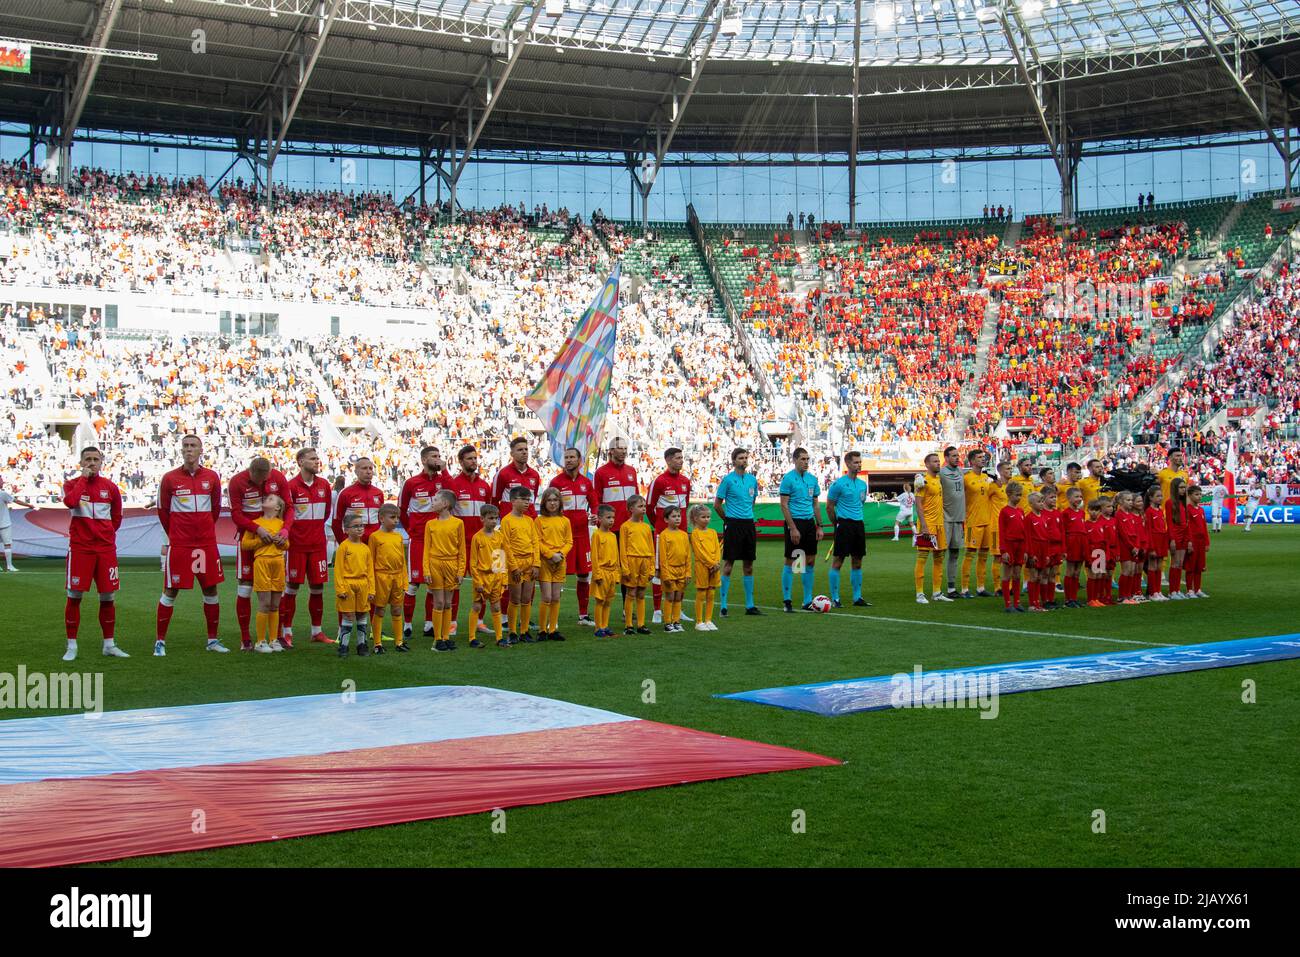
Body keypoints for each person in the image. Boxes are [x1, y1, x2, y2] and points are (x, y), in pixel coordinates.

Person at [156, 434, 226, 656]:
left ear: (200, 450)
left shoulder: (212, 477)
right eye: (185, 446)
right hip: (181, 545)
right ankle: (160, 641)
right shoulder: (169, 478)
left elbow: (215, 509)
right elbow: (163, 511)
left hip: (205, 544)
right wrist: (177, 535)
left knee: (210, 589)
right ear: (181, 450)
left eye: (193, 446)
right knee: (171, 590)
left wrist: (202, 530)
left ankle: (212, 640)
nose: (189, 449)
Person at [61, 446, 128, 660]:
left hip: (105, 549)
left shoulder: (110, 487)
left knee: (108, 596)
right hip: (81, 549)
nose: (92, 463)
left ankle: (109, 644)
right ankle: (72, 646)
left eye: (95, 459)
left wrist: (105, 535)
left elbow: (116, 517)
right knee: (75, 595)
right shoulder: (72, 484)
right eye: (87, 459)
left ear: (102, 462)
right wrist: (83, 479)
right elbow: (70, 502)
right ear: (81, 463)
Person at [227, 456, 292, 651]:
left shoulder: (278, 478)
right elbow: (236, 514)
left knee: (276, 592)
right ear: (252, 473)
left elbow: (289, 508)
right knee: (245, 587)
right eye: (260, 479)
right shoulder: (237, 482)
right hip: (251, 538)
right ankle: (246, 638)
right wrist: (256, 529)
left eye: (267, 479)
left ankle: (276, 636)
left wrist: (285, 530)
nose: (264, 483)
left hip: (274, 545)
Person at [284, 447, 334, 646]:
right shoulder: (290, 486)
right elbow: (285, 516)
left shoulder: (324, 485)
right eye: (312, 459)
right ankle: (286, 631)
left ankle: (317, 631)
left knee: (317, 587)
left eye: (317, 458)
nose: (317, 461)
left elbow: (326, 512)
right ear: (300, 462)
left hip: (318, 545)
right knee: (292, 587)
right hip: (296, 545)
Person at [400, 445, 449, 641]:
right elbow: (402, 509)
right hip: (419, 539)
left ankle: (429, 624)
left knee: (433, 584)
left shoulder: (443, 481)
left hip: (438, 540)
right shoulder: (411, 483)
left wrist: (445, 471)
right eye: (433, 456)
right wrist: (411, 530)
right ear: (423, 460)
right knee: (413, 584)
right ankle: (408, 624)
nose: (437, 459)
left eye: (439, 456)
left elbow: (452, 495)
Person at [448, 445, 494, 635]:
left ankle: (480, 621)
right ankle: (451, 623)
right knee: (455, 583)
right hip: (461, 543)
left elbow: (491, 513)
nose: (473, 461)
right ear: (461, 461)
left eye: (475, 458)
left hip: (482, 544)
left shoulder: (485, 486)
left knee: (483, 581)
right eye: (469, 459)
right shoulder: (453, 484)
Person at [548, 446, 596, 627]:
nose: (568, 460)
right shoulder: (556, 482)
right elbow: (549, 506)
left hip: (583, 535)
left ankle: (583, 616)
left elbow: (595, 503)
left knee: (584, 575)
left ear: (579, 460)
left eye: (571, 457)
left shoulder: (586, 482)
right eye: (566, 457)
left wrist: (595, 514)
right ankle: (553, 618)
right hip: (562, 536)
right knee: (557, 577)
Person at [646, 447, 692, 623]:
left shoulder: (685, 481)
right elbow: (649, 508)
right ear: (668, 460)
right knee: (659, 571)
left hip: (681, 534)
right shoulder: (659, 481)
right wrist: (658, 526)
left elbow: (684, 506)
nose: (681, 460)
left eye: (682, 457)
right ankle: (657, 611)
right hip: (662, 534)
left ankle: (677, 610)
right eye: (677, 458)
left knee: (680, 568)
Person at [239, 493, 289, 653]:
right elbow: (245, 544)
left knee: (275, 605)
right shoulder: (255, 524)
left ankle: (273, 639)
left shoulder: (281, 524)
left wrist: (282, 542)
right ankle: (260, 641)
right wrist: (261, 540)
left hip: (278, 564)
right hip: (262, 563)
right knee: (265, 603)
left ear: (277, 507)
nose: (265, 500)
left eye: (270, 499)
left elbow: (287, 545)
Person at [713, 447, 760, 616]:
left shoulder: (752, 480)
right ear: (733, 461)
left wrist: (747, 515)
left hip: (748, 524)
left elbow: (752, 501)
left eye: (746, 457)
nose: (744, 460)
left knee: (749, 565)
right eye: (741, 458)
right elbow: (717, 505)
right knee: (729, 564)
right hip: (733, 524)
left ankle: (750, 605)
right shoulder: (727, 480)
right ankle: (723, 606)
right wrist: (728, 520)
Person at [778, 446, 823, 612]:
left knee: (809, 561)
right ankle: (787, 601)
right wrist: (792, 528)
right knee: (792, 561)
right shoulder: (788, 479)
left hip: (809, 523)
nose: (806, 462)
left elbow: (816, 504)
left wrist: (819, 525)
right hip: (795, 523)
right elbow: (784, 504)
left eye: (807, 459)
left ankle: (807, 601)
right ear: (795, 460)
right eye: (802, 459)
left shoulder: (812, 479)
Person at [825, 449, 871, 608]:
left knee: (857, 561)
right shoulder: (838, 484)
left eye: (860, 462)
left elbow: (861, 504)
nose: (859, 464)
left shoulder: (862, 485)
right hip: (844, 525)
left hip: (858, 525)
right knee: (838, 561)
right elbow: (829, 507)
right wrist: (836, 524)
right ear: (848, 464)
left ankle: (857, 598)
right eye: (856, 462)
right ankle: (835, 598)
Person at [423, 488, 466, 652]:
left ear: (445, 504)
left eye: (435, 500)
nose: (432, 503)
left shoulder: (458, 523)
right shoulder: (430, 524)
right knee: (439, 602)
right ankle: (437, 639)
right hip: (435, 564)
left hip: (452, 565)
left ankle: (446, 637)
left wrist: (461, 571)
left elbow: (462, 550)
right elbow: (427, 549)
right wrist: (426, 570)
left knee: (448, 603)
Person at [501, 486, 540, 643]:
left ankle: (524, 631)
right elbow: (506, 546)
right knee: (515, 598)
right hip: (515, 564)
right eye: (523, 499)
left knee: (526, 598)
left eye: (528, 500)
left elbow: (535, 542)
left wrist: (536, 564)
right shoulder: (506, 521)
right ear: (512, 501)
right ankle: (512, 631)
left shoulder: (530, 520)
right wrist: (514, 567)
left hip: (529, 563)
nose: (527, 503)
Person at [334, 516, 376, 657]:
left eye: (361, 525)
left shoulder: (365, 548)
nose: (359, 528)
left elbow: (370, 571)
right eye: (355, 526)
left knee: (362, 613)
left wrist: (371, 589)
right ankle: (344, 646)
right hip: (347, 584)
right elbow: (338, 570)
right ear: (346, 530)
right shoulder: (343, 547)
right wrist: (340, 589)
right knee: (348, 615)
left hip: (363, 584)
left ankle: (361, 645)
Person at [368, 503, 408, 652]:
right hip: (381, 577)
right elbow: (370, 561)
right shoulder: (375, 537)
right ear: (381, 518)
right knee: (380, 610)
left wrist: (404, 580)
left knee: (397, 609)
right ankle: (377, 643)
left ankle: (399, 642)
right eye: (392, 517)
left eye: (397, 517)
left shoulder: (398, 537)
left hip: (397, 577)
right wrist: (371, 584)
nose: (396, 520)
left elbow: (402, 561)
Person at [536, 486, 573, 642]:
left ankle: (552, 630)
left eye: (555, 500)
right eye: (549, 500)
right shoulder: (538, 520)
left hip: (560, 562)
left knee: (556, 597)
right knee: (547, 597)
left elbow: (569, 541)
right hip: (545, 562)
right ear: (544, 502)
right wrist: (550, 555)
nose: (552, 503)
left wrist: (561, 554)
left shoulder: (565, 521)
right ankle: (542, 630)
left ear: (560, 502)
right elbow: (536, 541)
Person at [469, 504, 508, 648]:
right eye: (490, 518)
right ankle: (472, 638)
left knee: (496, 607)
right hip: (482, 578)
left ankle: (500, 638)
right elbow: (473, 562)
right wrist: (477, 582)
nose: (494, 521)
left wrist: (504, 579)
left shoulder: (500, 536)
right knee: (477, 607)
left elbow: (501, 559)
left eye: (496, 518)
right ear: (482, 519)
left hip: (496, 578)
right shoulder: (477, 538)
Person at [913, 452, 950, 604]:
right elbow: (918, 503)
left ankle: (937, 592)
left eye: (938, 461)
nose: (938, 464)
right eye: (934, 461)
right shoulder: (922, 482)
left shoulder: (938, 480)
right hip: (927, 524)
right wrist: (924, 526)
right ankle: (920, 594)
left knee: (939, 558)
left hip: (939, 524)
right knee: (922, 558)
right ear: (927, 464)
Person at [959, 449, 993, 599]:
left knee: (984, 556)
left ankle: (981, 587)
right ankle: (964, 589)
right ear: (972, 461)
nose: (983, 459)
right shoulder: (965, 478)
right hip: (973, 522)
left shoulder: (987, 478)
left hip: (987, 521)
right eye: (979, 457)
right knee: (970, 555)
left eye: (983, 457)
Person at [620, 494, 654, 635]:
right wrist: (625, 568)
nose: (643, 509)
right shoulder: (625, 526)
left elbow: (651, 548)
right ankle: (628, 625)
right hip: (632, 561)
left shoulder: (646, 527)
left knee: (641, 593)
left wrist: (652, 567)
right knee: (631, 592)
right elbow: (622, 548)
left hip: (645, 561)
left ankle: (641, 624)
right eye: (640, 506)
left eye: (644, 506)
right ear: (631, 509)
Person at [938, 445, 968, 599]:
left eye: (958, 455)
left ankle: (951, 588)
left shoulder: (960, 472)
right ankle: (937, 589)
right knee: (941, 554)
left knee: (955, 553)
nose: (957, 458)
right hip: (945, 519)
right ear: (947, 458)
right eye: (954, 455)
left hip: (959, 519)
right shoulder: (941, 473)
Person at [656, 505, 690, 633]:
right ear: (666, 519)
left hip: (682, 571)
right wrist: (666, 575)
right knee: (670, 597)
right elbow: (663, 557)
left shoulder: (684, 535)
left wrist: (688, 572)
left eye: (679, 516)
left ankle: (676, 621)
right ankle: (668, 623)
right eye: (674, 516)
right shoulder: (664, 535)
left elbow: (687, 556)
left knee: (678, 597)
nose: (677, 519)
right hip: (669, 571)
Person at [689, 504, 721, 631]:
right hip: (702, 566)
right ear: (695, 518)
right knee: (702, 592)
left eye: (708, 517)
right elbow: (699, 552)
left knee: (711, 592)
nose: (707, 519)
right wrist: (711, 563)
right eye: (703, 517)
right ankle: (699, 621)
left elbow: (717, 549)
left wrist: (717, 563)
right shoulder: (695, 534)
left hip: (715, 567)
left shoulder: (713, 532)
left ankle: (708, 620)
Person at [590, 504, 621, 639]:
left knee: (608, 601)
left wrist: (617, 573)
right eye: (608, 517)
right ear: (600, 518)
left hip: (612, 572)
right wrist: (596, 574)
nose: (611, 520)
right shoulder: (596, 535)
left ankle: (605, 625)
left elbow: (616, 555)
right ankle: (598, 627)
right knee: (600, 601)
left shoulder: (613, 536)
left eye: (613, 517)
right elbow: (594, 556)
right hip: (601, 572)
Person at [997, 480, 1026, 613]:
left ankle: (1017, 602)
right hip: (1009, 544)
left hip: (1020, 545)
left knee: (1017, 574)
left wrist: (1025, 549)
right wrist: (1004, 551)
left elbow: (1024, 531)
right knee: (1007, 574)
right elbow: (1002, 532)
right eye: (1017, 495)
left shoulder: (1020, 511)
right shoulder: (1004, 511)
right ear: (1009, 494)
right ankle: (1008, 604)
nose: (1019, 498)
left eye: (1020, 495)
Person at [1024, 491, 1051, 612]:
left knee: (1041, 576)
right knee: (1033, 576)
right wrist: (1030, 554)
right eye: (1039, 502)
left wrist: (1048, 554)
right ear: (1031, 504)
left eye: (1042, 501)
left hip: (1044, 549)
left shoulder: (1044, 517)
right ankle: (1032, 604)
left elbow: (1047, 536)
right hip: (1034, 549)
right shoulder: (1029, 518)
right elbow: (1027, 537)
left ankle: (1038, 603)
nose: (1041, 504)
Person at [1164, 477, 1190, 600]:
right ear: (1175, 488)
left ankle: (1177, 589)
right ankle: (1172, 591)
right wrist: (1172, 539)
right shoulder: (1170, 503)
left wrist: (1188, 539)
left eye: (1184, 487)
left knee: (1179, 563)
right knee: (1175, 563)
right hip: (1176, 534)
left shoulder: (1183, 503)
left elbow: (1187, 522)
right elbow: (1169, 522)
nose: (1183, 490)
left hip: (1184, 534)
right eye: (1181, 487)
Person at [0, 476, 33, 572]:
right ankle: (9, 566)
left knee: (7, 544)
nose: (3, 482)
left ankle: (8, 566)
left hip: (4, 523)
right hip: (4, 523)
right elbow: (16, 501)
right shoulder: (3, 494)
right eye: (1, 480)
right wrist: (29, 505)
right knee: (7, 544)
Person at [1143, 485, 1169, 601]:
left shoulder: (1160, 511)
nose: (1160, 498)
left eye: (1161, 496)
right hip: (1154, 541)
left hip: (1162, 541)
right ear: (1150, 498)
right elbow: (1148, 530)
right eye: (1157, 496)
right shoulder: (1148, 512)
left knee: (1159, 567)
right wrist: (1151, 547)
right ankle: (1152, 592)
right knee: (1152, 567)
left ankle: (1158, 591)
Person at [1062, 487, 1087, 608]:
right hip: (1071, 543)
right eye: (1076, 496)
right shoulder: (1066, 513)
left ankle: (1074, 597)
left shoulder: (1082, 512)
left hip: (1081, 543)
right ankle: (1068, 599)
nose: (1079, 499)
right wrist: (1065, 548)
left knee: (1077, 572)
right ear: (1069, 498)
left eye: (1080, 497)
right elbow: (1063, 531)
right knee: (1070, 571)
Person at [1184, 485, 1211, 598]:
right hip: (1193, 541)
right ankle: (1189, 590)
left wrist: (1207, 542)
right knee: (1191, 566)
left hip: (1201, 541)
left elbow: (1204, 527)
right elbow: (1187, 527)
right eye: (1196, 494)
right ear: (1189, 495)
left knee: (1200, 566)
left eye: (1200, 494)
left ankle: (1198, 589)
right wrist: (1189, 541)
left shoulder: (1201, 510)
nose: (1199, 497)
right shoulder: (1187, 509)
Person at [1084, 499, 1108, 607]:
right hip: (1092, 552)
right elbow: (1085, 542)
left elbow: (1106, 540)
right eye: (1092, 510)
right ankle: (1091, 599)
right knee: (1092, 575)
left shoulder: (1102, 524)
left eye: (1097, 510)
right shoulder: (1086, 524)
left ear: (1100, 511)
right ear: (1088, 510)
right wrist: (1088, 556)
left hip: (1101, 551)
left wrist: (1106, 553)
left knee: (1099, 575)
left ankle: (1097, 598)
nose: (1094, 512)